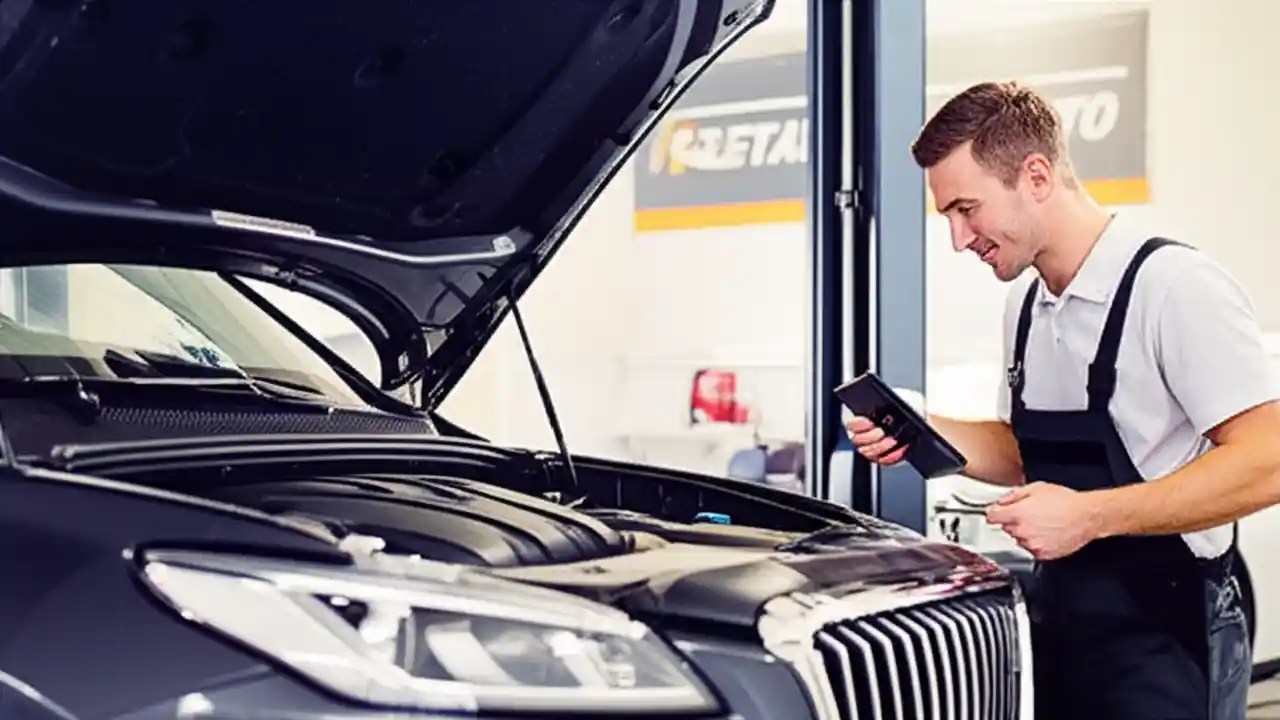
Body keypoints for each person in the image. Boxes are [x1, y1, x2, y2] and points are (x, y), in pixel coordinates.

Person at [846, 81, 1280, 720]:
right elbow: (1026, 452)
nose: (959, 239)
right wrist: (920, 427)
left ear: (1037, 176)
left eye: (967, 209)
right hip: (1066, 629)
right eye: (948, 218)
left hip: (1171, 637)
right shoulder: (1026, 304)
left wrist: (1089, 517)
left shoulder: (1175, 288)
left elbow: (1268, 459)